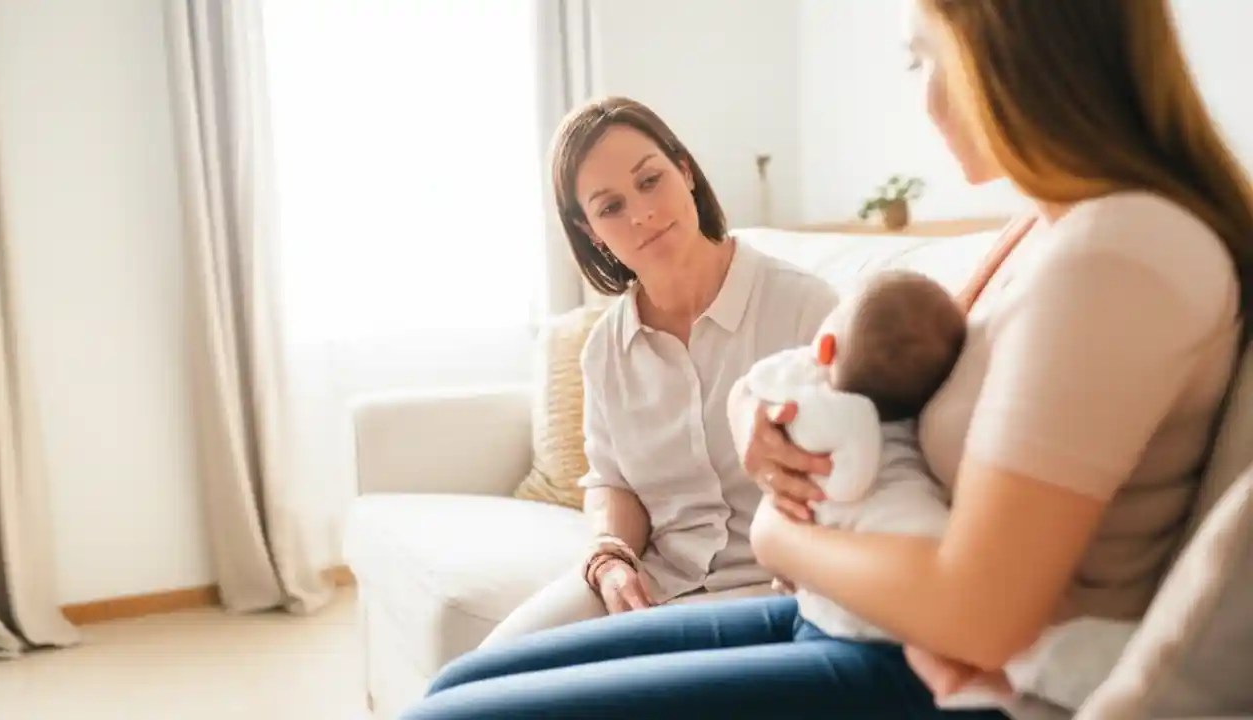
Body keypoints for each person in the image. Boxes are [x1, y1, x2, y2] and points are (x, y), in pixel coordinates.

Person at [403, 1, 1253, 717]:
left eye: (929, 58)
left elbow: (982, 611)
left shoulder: (1121, 249)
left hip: (922, 664)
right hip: (851, 618)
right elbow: (844, 364)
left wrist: (778, 535)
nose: (926, 99)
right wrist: (754, 409)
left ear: (1019, 48)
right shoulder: (1039, 231)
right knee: (456, 686)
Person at [479, 95, 839, 646]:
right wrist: (610, 557)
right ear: (590, 230)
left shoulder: (806, 308)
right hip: (653, 586)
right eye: (610, 207)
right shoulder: (605, 350)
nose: (641, 214)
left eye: (650, 181)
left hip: (778, 591)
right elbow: (611, 481)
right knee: (484, 668)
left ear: (685, 172)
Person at [746, 271, 1139, 714]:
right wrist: (751, 427)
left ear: (826, 347)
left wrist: (774, 537)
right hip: (829, 598)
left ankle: (967, 672)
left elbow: (969, 603)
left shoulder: (1088, 273)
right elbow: (754, 397)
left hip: (889, 617)